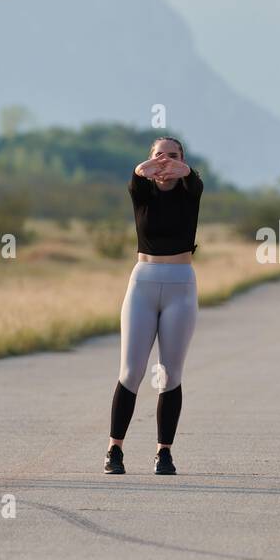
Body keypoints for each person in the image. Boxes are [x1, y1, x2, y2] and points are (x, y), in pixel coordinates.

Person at [105, 136, 201, 476]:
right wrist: (141, 169)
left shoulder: (190, 192)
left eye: (173, 158)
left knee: (169, 374)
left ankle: (164, 453)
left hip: (181, 286)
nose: (165, 164)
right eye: (159, 157)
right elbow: (134, 181)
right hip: (143, 284)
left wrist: (184, 170)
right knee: (131, 371)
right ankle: (114, 450)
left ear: (183, 163)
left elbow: (195, 180)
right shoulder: (142, 192)